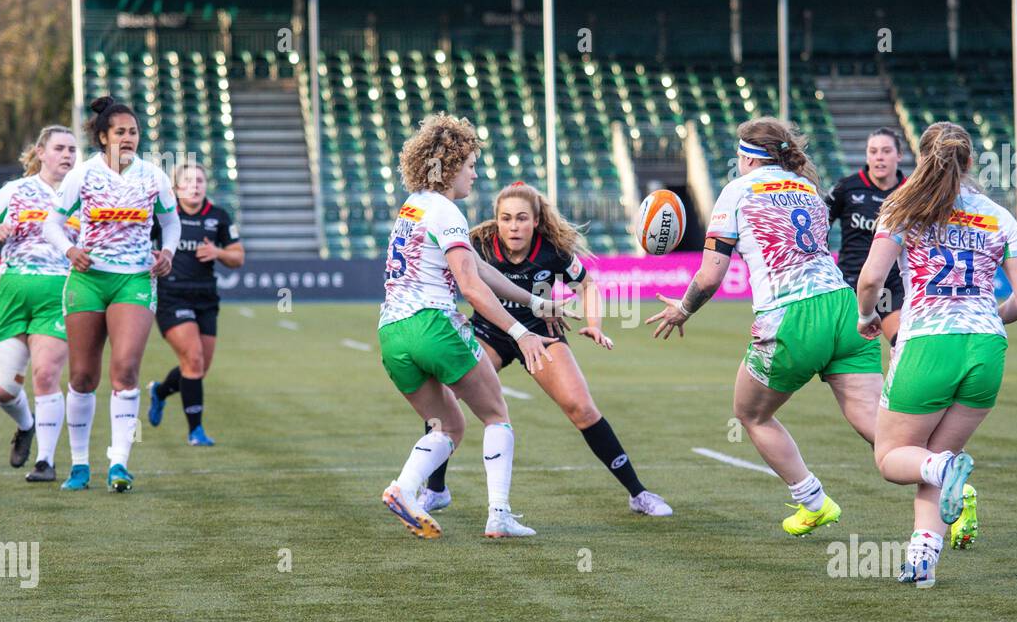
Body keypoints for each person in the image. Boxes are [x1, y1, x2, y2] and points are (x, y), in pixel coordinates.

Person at [647, 117, 883, 536]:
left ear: (746, 157)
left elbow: (709, 276)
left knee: (751, 414)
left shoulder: (737, 191)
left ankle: (812, 501)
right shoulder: (805, 186)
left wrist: (683, 310)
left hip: (793, 314)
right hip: (844, 306)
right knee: (873, 421)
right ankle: (938, 468)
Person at [857, 121, 1017, 588]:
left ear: (920, 159)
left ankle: (946, 469)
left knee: (891, 456)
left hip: (928, 342)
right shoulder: (998, 214)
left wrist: (865, 317)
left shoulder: (903, 206)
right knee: (934, 454)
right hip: (986, 347)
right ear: (970, 161)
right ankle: (922, 559)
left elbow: (871, 280)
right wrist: (991, 317)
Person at [420, 181, 672, 517]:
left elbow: (587, 286)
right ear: (496, 219)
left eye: (522, 218)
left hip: (541, 332)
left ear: (536, 220)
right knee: (447, 398)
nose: (513, 226)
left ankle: (638, 493)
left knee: (581, 408)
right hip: (489, 331)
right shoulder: (478, 244)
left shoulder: (553, 250)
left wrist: (594, 325)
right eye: (506, 218)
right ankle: (435, 490)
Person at [378, 114, 573, 540]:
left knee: (447, 426)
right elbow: (469, 285)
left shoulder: (413, 206)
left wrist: (536, 302)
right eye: (469, 164)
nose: (475, 173)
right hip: (432, 325)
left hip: (391, 334)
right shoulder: (447, 211)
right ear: (449, 166)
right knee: (495, 414)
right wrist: (521, 332)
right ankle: (498, 514)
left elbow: (480, 269)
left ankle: (403, 489)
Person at [43, 96, 180, 493]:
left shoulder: (153, 176)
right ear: (103, 137)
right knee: (83, 375)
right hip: (87, 280)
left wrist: (167, 252)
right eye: (120, 132)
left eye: (133, 132)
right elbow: (52, 224)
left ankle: (119, 463)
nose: (128, 138)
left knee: (125, 369)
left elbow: (171, 225)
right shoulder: (82, 175)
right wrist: (69, 250)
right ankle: (80, 465)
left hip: (134, 279)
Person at [0, 126, 79, 480]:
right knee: (3, 390)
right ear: (41, 153)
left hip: (59, 290)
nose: (67, 155)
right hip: (14, 291)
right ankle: (26, 425)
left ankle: (45, 461)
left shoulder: (83, 194)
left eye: (73, 150)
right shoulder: (15, 191)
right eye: (60, 148)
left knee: (46, 374)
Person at [147, 162, 245, 445]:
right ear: (176, 188)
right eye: (188, 181)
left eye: (200, 180)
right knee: (193, 359)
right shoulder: (164, 216)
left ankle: (161, 391)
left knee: (199, 367)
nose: (194, 185)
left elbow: (238, 257)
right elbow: (141, 242)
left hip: (205, 297)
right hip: (171, 296)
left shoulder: (218, 217)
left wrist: (217, 252)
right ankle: (195, 431)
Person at [824, 126, 907, 343]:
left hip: (893, 284)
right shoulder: (847, 188)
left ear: (899, 155)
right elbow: (820, 223)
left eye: (886, 151)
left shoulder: (911, 193)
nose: (879, 157)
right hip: (852, 283)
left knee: (902, 343)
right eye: (873, 151)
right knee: (850, 349)